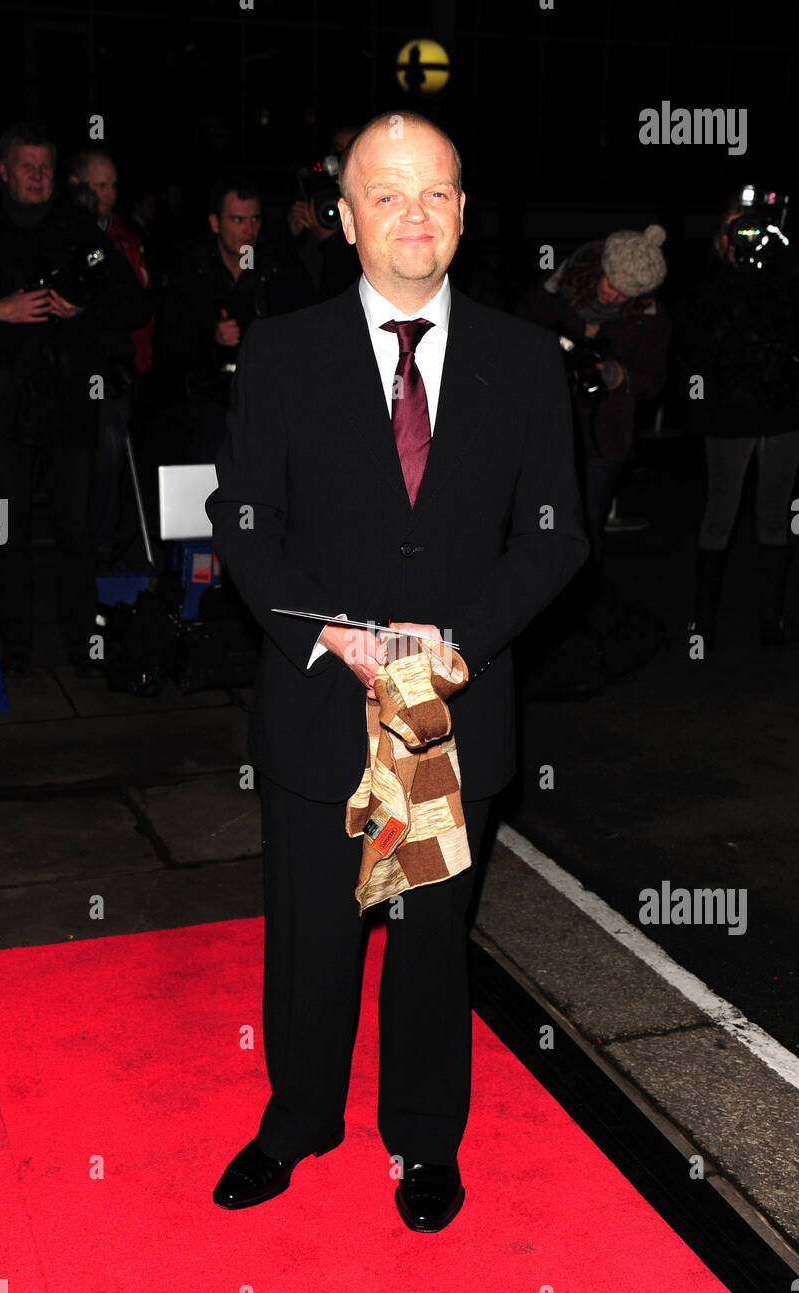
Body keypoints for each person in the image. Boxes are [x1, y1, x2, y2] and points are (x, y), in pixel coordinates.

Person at [205, 110, 588, 1232]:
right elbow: (245, 519)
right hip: (321, 699)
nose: (413, 215)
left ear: (463, 215)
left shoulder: (526, 360)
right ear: (345, 215)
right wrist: (329, 631)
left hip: (456, 718)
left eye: (436, 194)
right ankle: (296, 1121)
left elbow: (557, 532)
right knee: (310, 939)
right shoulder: (280, 351)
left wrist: (453, 636)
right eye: (387, 194)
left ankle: (424, 1140)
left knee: (432, 952)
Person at [0, 122, 150, 675]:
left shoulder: (78, 228)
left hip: (70, 405)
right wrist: (2, 309)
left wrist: (86, 309)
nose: (36, 177)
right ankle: (13, 648)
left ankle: (82, 645)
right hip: (8, 409)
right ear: (5, 171)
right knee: (7, 532)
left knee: (75, 531)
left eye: (44, 167)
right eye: (26, 166)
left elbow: (133, 304)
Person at [675, 194, 799, 649]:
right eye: (736, 230)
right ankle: (703, 619)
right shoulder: (708, 278)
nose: (745, 239)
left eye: (753, 230)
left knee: (773, 516)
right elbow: (695, 340)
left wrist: (779, 260)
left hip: (782, 413)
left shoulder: (783, 273)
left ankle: (773, 619)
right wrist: (734, 275)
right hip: (729, 415)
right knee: (720, 514)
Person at [516, 226, 670, 564]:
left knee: (586, 529)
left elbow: (655, 379)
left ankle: (587, 606)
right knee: (540, 527)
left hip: (605, 437)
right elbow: (517, 340)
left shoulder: (649, 317)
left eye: (625, 295)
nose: (614, 298)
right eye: (611, 285)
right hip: (547, 432)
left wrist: (621, 376)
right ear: (598, 270)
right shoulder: (555, 293)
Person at [160, 174, 314, 462]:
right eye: (238, 220)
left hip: (268, 398)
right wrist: (211, 339)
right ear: (215, 223)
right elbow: (170, 351)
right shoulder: (191, 272)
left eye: (255, 219)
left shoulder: (278, 268)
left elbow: (306, 331)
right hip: (208, 401)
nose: (249, 230)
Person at [69, 144, 157, 571]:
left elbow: (139, 305)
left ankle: (100, 550)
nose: (107, 193)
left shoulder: (123, 237)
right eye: (98, 185)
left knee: (109, 451)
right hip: (65, 373)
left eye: (112, 185)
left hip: (117, 372)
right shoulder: (66, 232)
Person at [286, 123, 361, 301]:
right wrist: (292, 233)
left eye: (350, 149)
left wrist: (330, 241)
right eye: (337, 151)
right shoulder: (313, 187)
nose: (342, 158)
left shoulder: (370, 192)